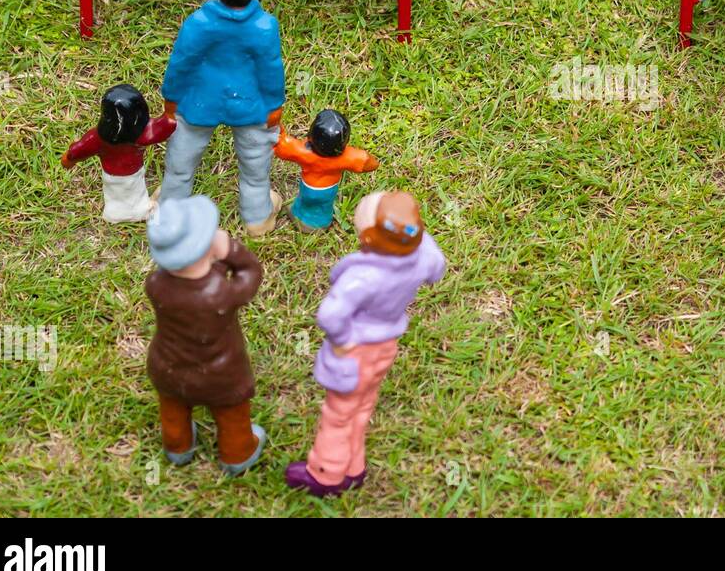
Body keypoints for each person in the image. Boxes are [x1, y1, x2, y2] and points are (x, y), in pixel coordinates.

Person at [285, 191, 447, 497]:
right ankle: (353, 467)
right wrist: (416, 236)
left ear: (370, 239)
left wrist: (343, 341)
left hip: (356, 350)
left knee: (338, 414)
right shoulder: (422, 258)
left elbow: (331, 315)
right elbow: (437, 265)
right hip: (386, 345)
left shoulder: (364, 276)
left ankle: (326, 473)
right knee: (361, 408)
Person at [159, 0, 286, 236]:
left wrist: (172, 97)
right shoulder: (265, 26)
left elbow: (181, 63)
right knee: (255, 165)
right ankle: (257, 217)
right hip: (250, 105)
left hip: (198, 103)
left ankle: (170, 209)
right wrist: (274, 104)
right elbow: (270, 70)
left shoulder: (198, 23)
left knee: (181, 161)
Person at [144, 195, 266, 475]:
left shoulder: (155, 284)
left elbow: (191, 275)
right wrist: (230, 249)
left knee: (173, 407)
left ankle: (177, 446)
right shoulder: (221, 294)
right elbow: (250, 273)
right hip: (220, 375)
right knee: (231, 413)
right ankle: (237, 453)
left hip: (168, 366)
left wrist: (209, 256)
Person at [61, 84, 176, 223]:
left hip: (112, 176)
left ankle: (116, 214)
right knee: (133, 194)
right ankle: (138, 212)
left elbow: (79, 149)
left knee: (116, 196)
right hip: (133, 174)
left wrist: (69, 159)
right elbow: (167, 124)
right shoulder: (143, 134)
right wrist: (170, 104)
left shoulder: (97, 138)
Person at [273, 109, 379, 231]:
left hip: (309, 186)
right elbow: (369, 162)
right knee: (324, 206)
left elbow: (281, 146)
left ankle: (302, 221)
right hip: (329, 189)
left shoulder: (303, 153)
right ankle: (322, 222)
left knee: (304, 204)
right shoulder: (347, 157)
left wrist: (275, 126)